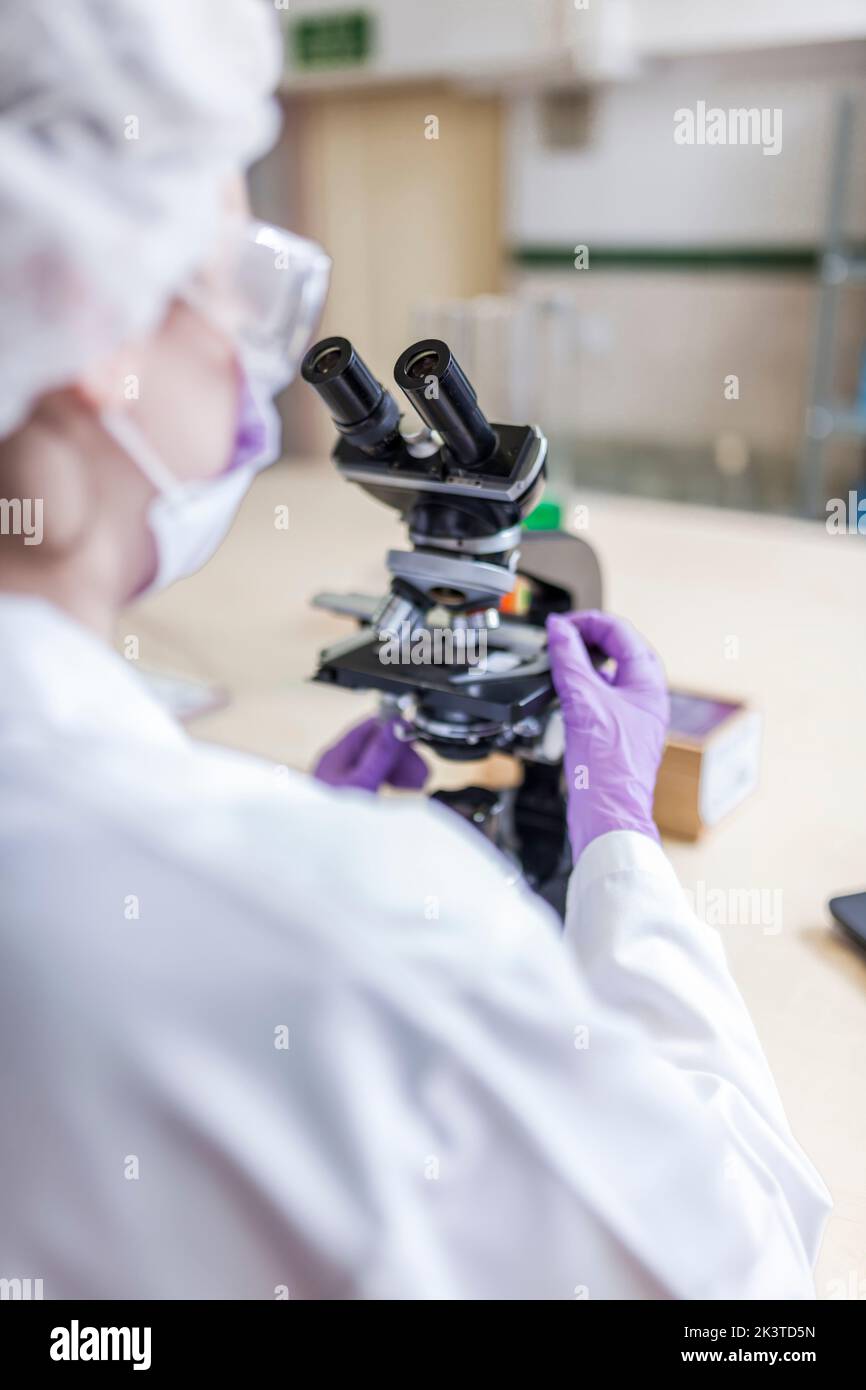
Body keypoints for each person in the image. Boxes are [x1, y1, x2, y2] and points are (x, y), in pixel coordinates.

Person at [0, 0, 828, 1300]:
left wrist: (261, 837)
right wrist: (621, 852)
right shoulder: (368, 948)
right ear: (90, 318)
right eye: (232, 281)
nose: (250, 359)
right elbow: (742, 1287)